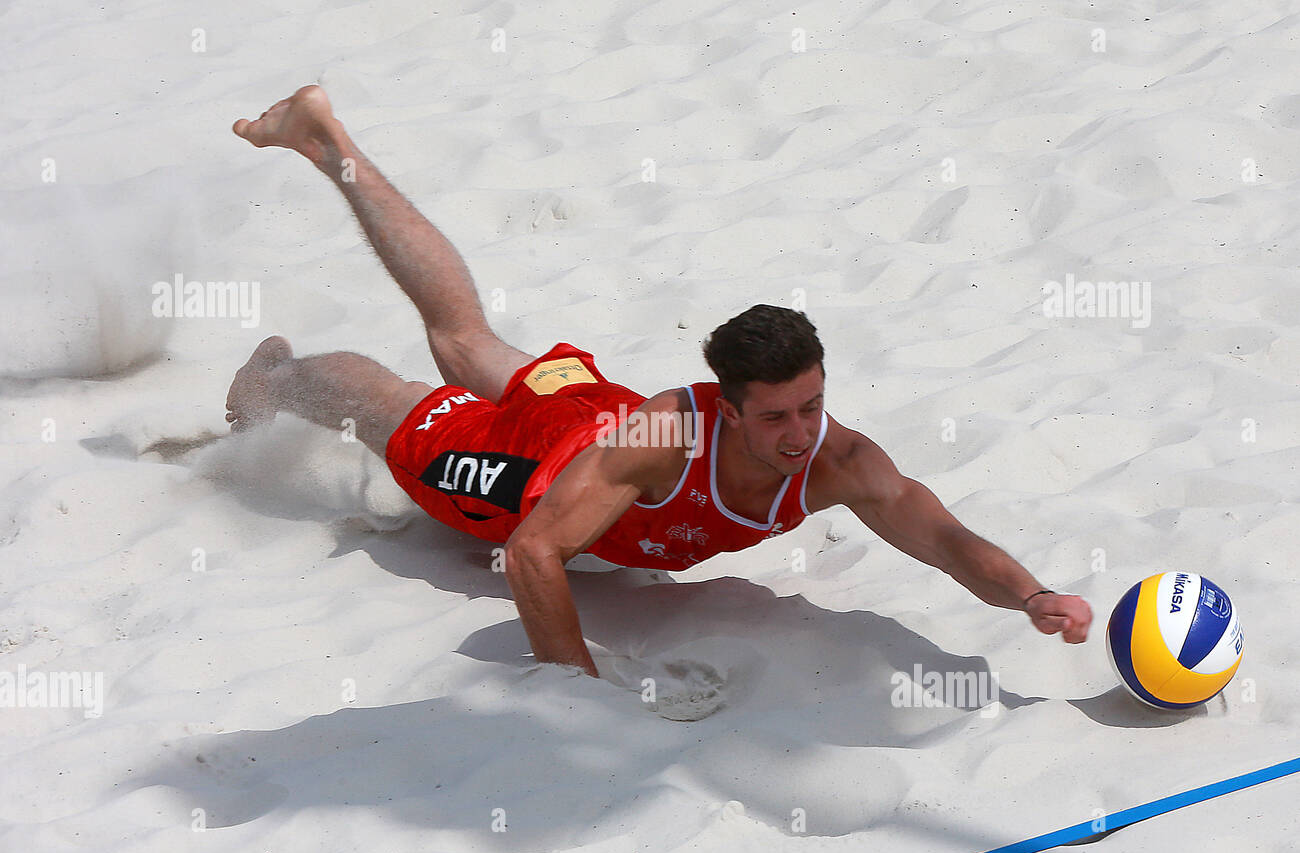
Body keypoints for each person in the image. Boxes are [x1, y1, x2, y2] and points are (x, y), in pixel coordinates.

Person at [226, 85, 1092, 678]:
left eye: (814, 405)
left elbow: (942, 539)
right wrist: (574, 686)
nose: (802, 435)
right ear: (727, 406)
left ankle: (323, 141)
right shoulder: (663, 440)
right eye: (779, 417)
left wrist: (1032, 595)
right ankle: (283, 375)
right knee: (403, 411)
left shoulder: (842, 460)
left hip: (597, 416)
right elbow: (533, 551)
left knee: (468, 336)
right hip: (540, 473)